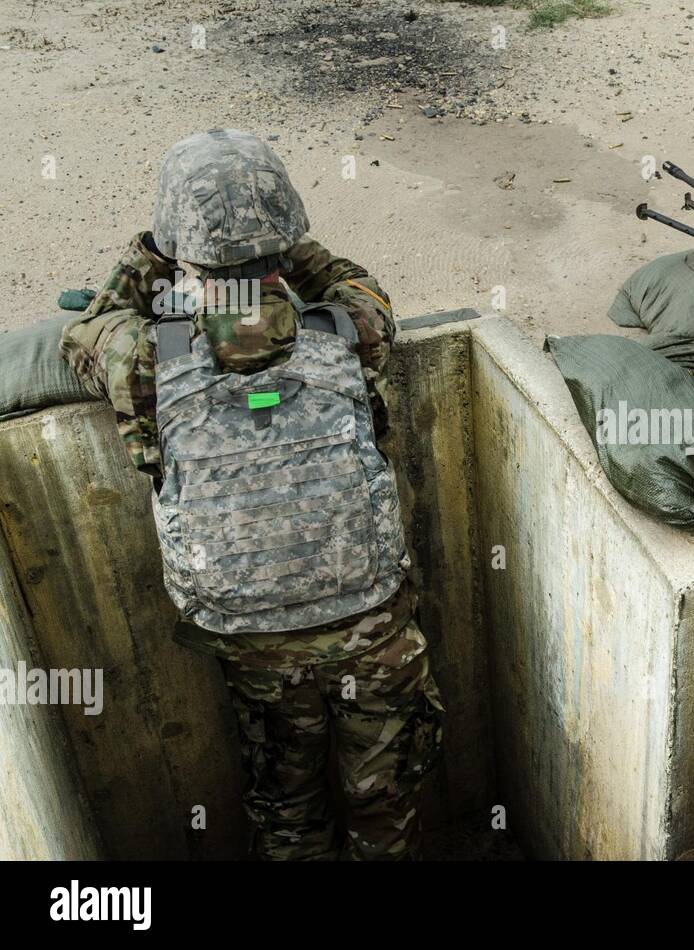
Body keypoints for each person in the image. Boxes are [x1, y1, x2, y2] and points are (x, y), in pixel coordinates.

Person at [61, 128, 443, 861]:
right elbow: (357, 283)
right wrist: (289, 251)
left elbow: (85, 329)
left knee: (287, 809)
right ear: (289, 228)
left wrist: (150, 259)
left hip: (252, 643)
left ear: (178, 245)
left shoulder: (148, 357)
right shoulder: (348, 327)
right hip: (373, 626)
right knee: (385, 804)